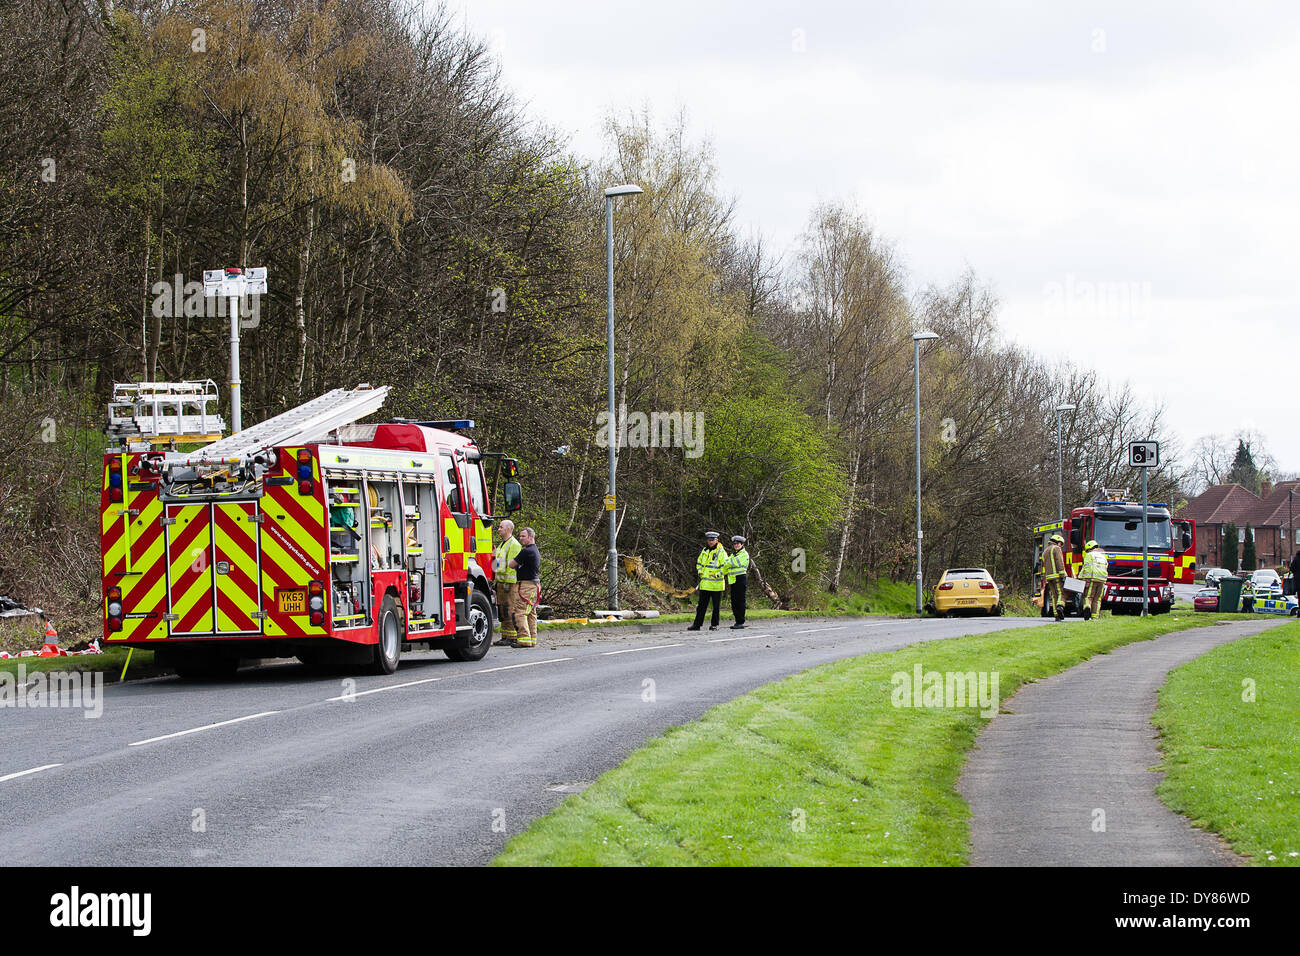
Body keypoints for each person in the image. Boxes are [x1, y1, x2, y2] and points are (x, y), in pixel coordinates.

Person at [508, 526, 541, 648]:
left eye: (523, 536)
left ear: (531, 537)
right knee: (531, 613)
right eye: (520, 536)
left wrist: (501, 560)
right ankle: (532, 639)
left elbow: (511, 564)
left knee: (520, 612)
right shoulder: (535, 550)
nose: (521, 538)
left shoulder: (526, 551)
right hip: (534, 585)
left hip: (526, 586)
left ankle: (523, 639)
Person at [688, 531, 727, 631]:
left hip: (716, 585)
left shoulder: (721, 552)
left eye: (712, 540)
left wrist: (717, 574)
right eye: (709, 540)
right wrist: (700, 571)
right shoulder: (704, 550)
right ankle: (697, 625)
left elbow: (725, 567)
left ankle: (714, 625)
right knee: (701, 606)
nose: (710, 542)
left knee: (716, 607)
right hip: (705, 584)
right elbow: (699, 562)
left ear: (717, 540)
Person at [492, 519, 522, 646]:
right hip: (501, 582)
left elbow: (511, 565)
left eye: (501, 527)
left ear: (508, 529)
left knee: (509, 609)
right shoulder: (502, 544)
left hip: (509, 583)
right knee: (502, 611)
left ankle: (512, 636)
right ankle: (505, 636)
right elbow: (497, 563)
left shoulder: (514, 544)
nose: (498, 529)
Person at [1080, 539, 1108, 621]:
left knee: (1088, 596)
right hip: (1102, 580)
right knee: (1097, 599)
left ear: (1089, 549)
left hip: (1092, 579)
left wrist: (1086, 580)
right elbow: (1106, 568)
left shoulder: (1089, 555)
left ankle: (1087, 607)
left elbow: (1087, 568)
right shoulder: (1103, 556)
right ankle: (1094, 617)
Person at [726, 535, 750, 629]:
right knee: (734, 601)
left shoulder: (744, 554)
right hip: (733, 579)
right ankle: (737, 621)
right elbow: (727, 564)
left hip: (740, 579)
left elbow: (731, 563)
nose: (736, 545)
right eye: (735, 544)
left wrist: (727, 563)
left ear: (742, 544)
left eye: (738, 544)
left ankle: (740, 621)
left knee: (740, 601)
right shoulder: (734, 554)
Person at [1042, 532, 1067, 622]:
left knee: (1054, 595)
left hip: (1049, 577)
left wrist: (1045, 578)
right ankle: (1060, 607)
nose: (1061, 545)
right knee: (1061, 593)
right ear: (1057, 541)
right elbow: (1059, 562)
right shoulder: (1056, 548)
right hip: (1057, 576)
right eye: (1061, 543)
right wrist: (1063, 575)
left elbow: (1044, 566)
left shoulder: (1045, 551)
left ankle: (1056, 615)